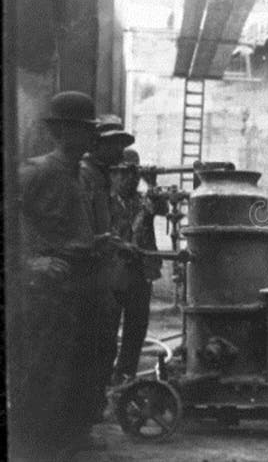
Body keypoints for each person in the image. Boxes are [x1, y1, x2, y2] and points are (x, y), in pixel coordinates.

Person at [12, 91, 101, 459]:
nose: (89, 138)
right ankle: (32, 447)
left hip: (80, 284)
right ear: (61, 131)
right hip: (48, 289)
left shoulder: (80, 175)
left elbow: (72, 230)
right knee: (44, 370)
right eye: (82, 130)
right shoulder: (36, 172)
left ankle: (66, 441)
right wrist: (29, 263)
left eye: (89, 130)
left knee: (79, 367)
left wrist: (98, 242)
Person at [79, 115, 135, 426]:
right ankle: (87, 409)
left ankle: (94, 405)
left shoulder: (100, 175)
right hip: (90, 270)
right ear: (99, 144)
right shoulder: (85, 175)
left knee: (104, 341)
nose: (119, 152)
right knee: (95, 343)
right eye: (115, 145)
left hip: (103, 270)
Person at [108, 148, 168, 384]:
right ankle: (104, 378)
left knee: (136, 328)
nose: (128, 179)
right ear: (114, 175)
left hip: (140, 272)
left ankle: (125, 377)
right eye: (123, 173)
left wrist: (152, 183)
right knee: (108, 328)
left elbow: (162, 209)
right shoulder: (106, 200)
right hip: (114, 272)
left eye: (133, 173)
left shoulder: (144, 199)